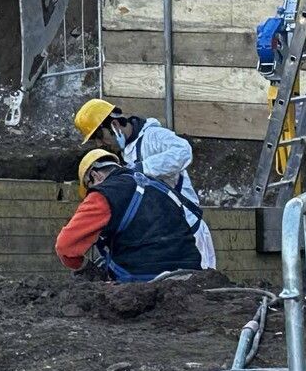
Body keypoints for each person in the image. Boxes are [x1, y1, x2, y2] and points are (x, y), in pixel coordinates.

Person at [72, 98, 215, 269]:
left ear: (115, 125)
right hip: (164, 239)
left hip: (190, 231)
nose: (100, 144)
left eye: (99, 136)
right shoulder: (125, 155)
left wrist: (143, 168)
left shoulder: (152, 136)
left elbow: (183, 151)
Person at [56, 149, 205, 281]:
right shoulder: (158, 186)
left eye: (89, 186)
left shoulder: (103, 195)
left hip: (146, 278)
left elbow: (65, 247)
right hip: (192, 272)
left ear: (95, 175)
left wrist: (85, 266)